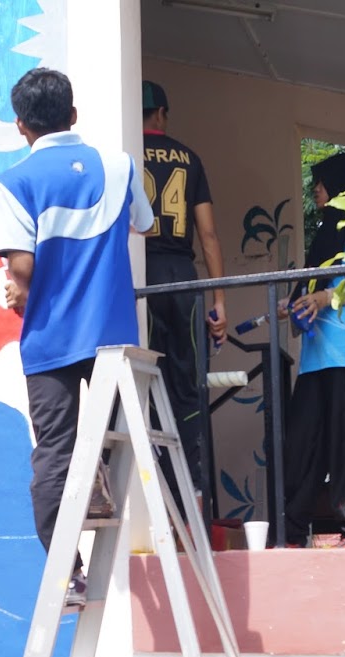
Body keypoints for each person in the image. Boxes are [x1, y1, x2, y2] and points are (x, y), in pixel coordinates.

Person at [0, 67, 154, 599]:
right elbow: (144, 224)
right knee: (111, 440)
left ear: (21, 126)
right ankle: (100, 492)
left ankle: (70, 574)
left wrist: (17, 290)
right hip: (111, 335)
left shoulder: (15, 182)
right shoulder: (119, 166)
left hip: (50, 340)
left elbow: (23, 267)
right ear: (74, 115)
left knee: (54, 453)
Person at [283, 152, 345, 547]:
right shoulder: (329, 229)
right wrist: (293, 302)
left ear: (343, 184)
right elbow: (315, 278)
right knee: (303, 439)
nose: (316, 193)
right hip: (317, 351)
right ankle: (291, 529)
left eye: (321, 185)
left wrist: (326, 297)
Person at [141, 80, 227, 514]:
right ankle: (191, 487)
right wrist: (219, 299)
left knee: (145, 381)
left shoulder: (124, 155)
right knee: (189, 387)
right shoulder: (189, 158)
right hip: (185, 279)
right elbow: (208, 235)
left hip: (145, 279)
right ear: (160, 115)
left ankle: (152, 490)